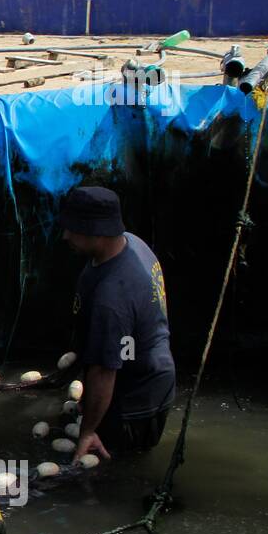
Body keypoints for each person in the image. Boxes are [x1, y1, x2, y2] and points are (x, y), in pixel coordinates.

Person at [60, 186, 176, 460]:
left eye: (73, 229)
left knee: (109, 468)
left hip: (136, 400)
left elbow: (104, 371)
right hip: (150, 374)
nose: (65, 236)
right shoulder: (130, 243)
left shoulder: (112, 298)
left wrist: (88, 431)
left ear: (97, 233)